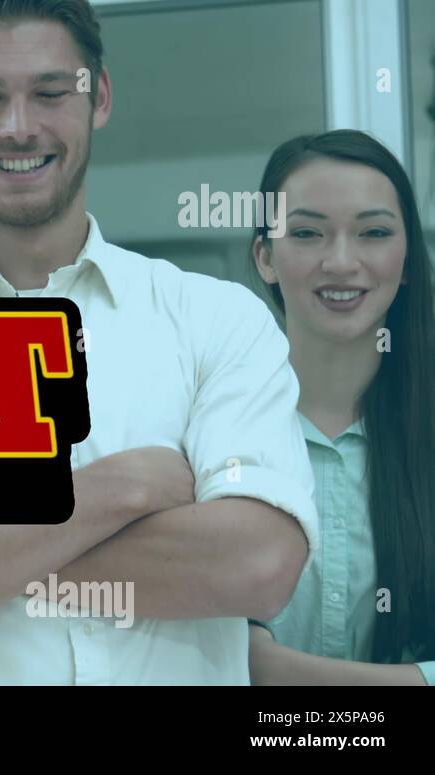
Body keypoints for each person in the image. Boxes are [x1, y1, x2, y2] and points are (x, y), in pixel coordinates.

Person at [0, 0, 319, 684]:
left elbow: (256, 563)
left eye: (50, 92)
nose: (18, 127)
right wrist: (120, 489)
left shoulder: (217, 318)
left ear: (97, 96)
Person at [247, 130, 434, 685]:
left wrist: (278, 672)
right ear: (266, 257)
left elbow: (251, 670)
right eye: (307, 233)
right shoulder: (207, 432)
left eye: (374, 232)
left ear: (405, 262)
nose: (341, 261)